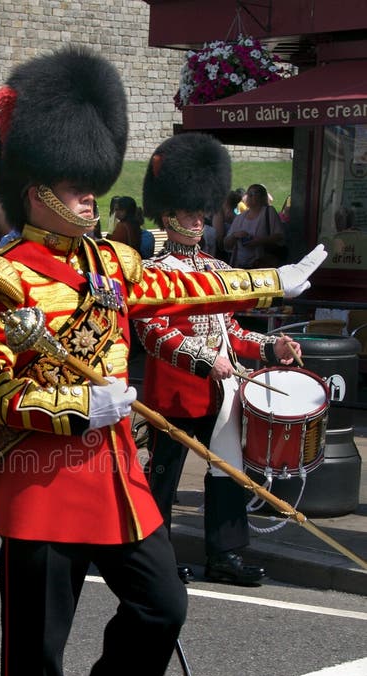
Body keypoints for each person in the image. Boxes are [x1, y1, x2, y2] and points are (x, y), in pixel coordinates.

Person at [0, 46, 324, 676]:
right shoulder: (1, 280)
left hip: (116, 475)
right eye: (77, 181)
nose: (92, 192)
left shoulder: (114, 260)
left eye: (94, 179)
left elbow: (185, 284)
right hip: (44, 478)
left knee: (163, 605)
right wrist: (72, 404)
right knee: (36, 653)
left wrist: (272, 282)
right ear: (35, 183)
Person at [136, 132, 303, 587]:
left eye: (198, 212)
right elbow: (155, 334)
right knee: (162, 480)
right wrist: (204, 359)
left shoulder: (218, 271)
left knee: (227, 471)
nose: (195, 220)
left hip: (220, 391)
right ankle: (154, 558)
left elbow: (230, 331)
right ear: (168, 217)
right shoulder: (153, 274)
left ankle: (225, 554)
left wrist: (274, 347)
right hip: (174, 392)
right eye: (187, 213)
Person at [224, 182, 286, 268]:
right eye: (248, 193)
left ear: (262, 197)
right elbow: (226, 244)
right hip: (239, 266)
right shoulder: (240, 217)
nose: (248, 196)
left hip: (262, 265)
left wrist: (259, 241)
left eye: (253, 193)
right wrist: (235, 235)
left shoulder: (268, 212)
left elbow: (279, 236)